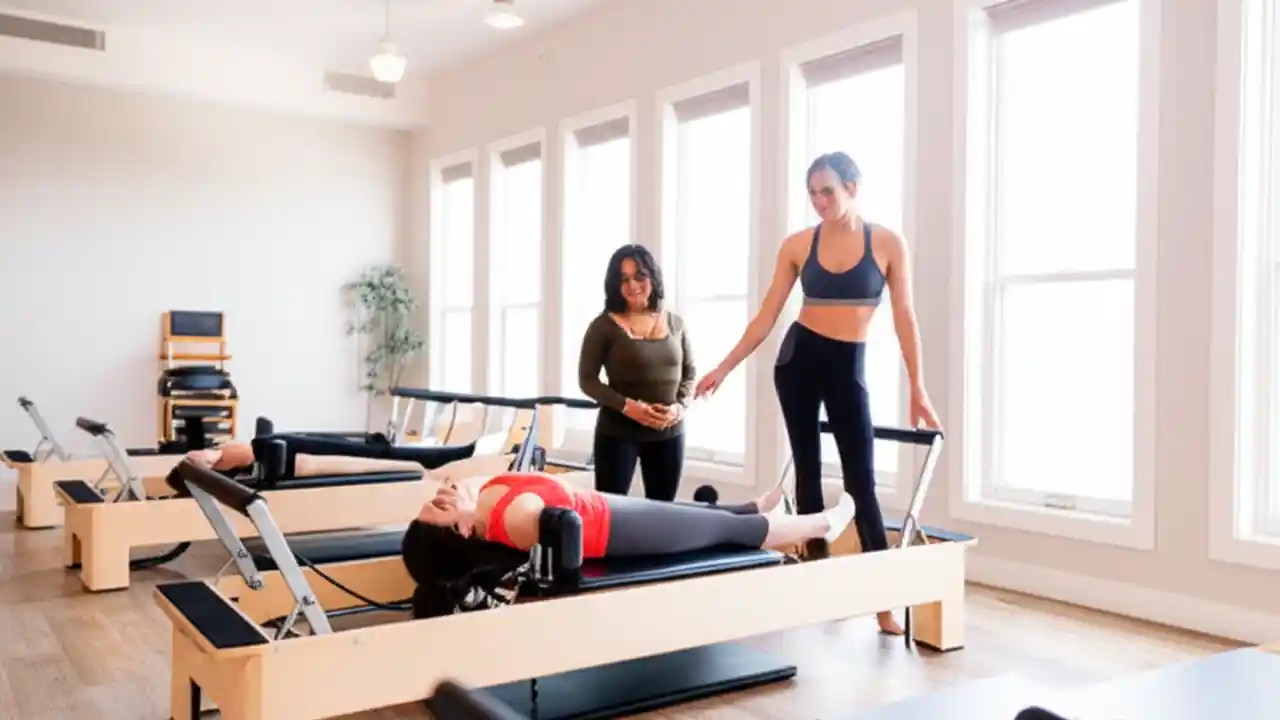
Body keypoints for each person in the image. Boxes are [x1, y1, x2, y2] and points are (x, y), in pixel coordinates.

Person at [693, 151, 941, 637]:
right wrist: (724, 367)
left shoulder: (887, 243)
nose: (819, 200)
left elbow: (904, 317)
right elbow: (766, 315)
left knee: (861, 483)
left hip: (848, 368)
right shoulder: (798, 245)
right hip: (798, 362)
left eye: (828, 190)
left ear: (853, 187)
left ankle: (882, 606)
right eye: (812, 192)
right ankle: (816, 583)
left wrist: (918, 386)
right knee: (806, 473)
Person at [400, 469, 857, 618]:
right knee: (719, 531)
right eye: (438, 507)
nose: (440, 496)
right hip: (615, 531)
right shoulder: (511, 519)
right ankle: (821, 526)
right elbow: (554, 530)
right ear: (461, 531)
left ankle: (754, 506)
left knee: (694, 514)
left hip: (606, 506)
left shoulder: (483, 504)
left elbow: (464, 489)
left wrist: (466, 503)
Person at [577, 244, 695, 501]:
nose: (632, 285)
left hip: (669, 434)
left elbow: (690, 374)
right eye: (624, 279)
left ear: (653, 277)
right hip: (617, 433)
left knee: (663, 512)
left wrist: (679, 408)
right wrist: (628, 407)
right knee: (611, 511)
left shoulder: (676, 323)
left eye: (640, 276)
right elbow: (587, 380)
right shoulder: (603, 326)